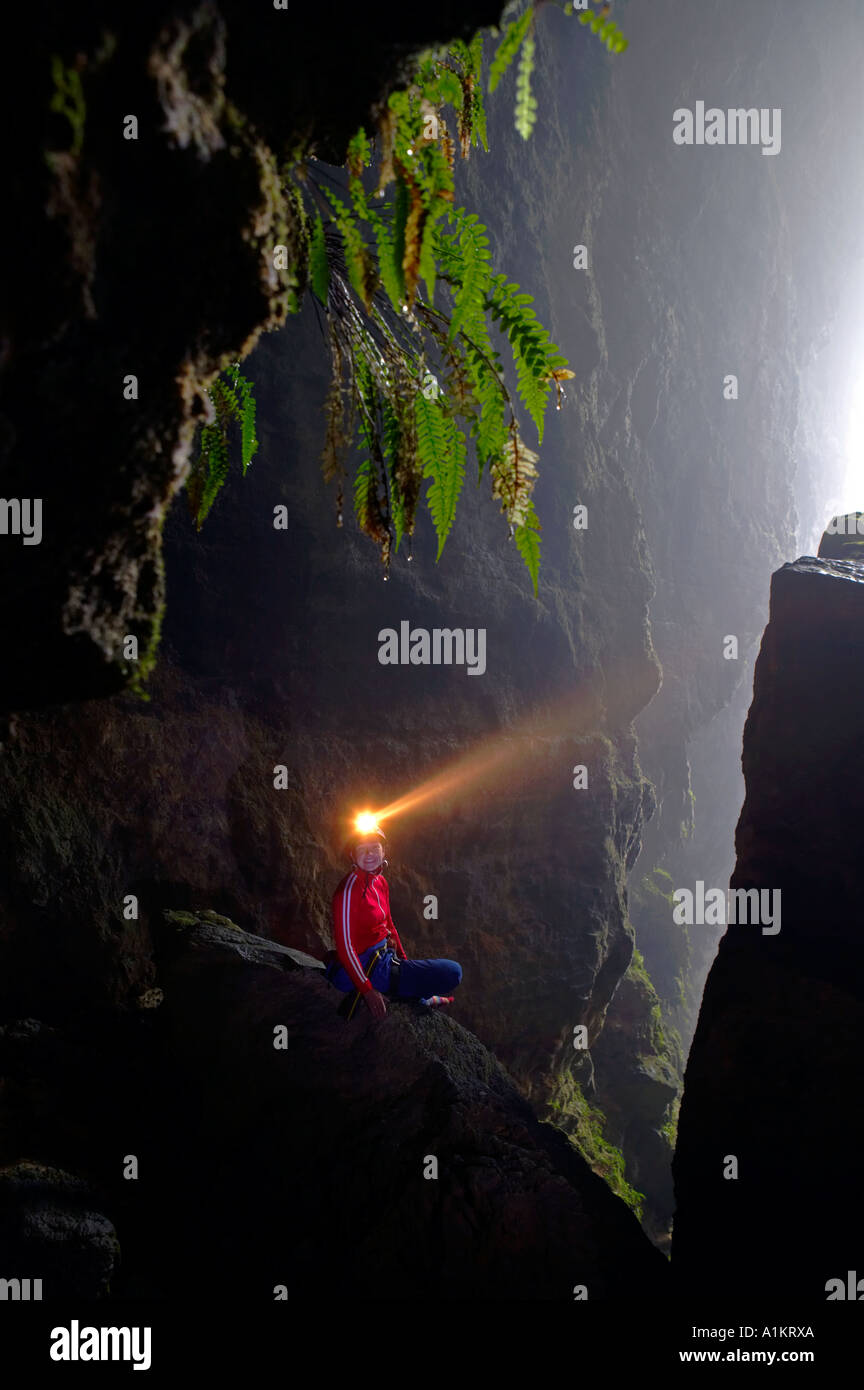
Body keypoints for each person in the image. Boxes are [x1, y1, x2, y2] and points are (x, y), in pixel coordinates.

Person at [327, 823, 462, 1018]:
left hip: (386, 958)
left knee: (417, 973)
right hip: (367, 967)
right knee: (453, 973)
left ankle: (415, 993)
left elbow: (389, 924)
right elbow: (345, 948)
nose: (370, 854)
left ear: (384, 851)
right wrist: (367, 991)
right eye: (362, 849)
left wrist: (403, 961)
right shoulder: (348, 891)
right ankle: (421, 998)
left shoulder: (380, 882)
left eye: (375, 848)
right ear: (352, 855)